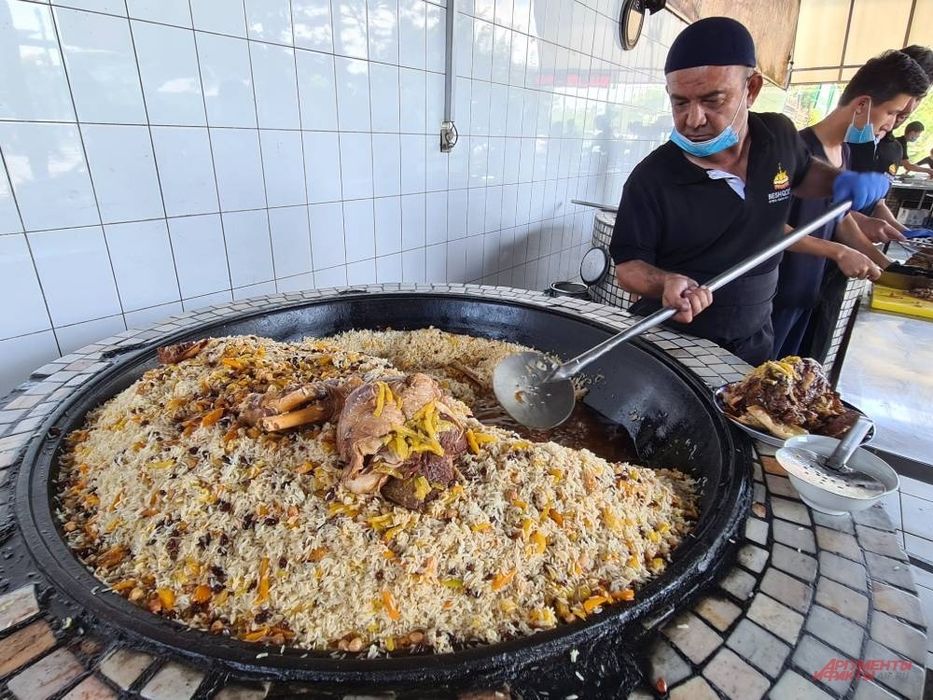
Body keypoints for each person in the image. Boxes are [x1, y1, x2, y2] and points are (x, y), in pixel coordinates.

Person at [608, 17, 890, 366]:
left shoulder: (778, 135)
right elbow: (628, 268)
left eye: (712, 100)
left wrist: (839, 181)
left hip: (755, 332)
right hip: (674, 339)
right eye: (680, 103)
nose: (693, 119)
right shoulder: (652, 178)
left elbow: (803, 174)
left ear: (751, 89)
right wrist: (665, 282)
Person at [771, 52, 931, 358]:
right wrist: (837, 252)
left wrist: (886, 266)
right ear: (862, 105)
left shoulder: (843, 152)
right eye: (891, 113)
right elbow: (767, 226)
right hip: (774, 298)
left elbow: (840, 218)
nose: (892, 125)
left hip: (807, 293)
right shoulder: (796, 151)